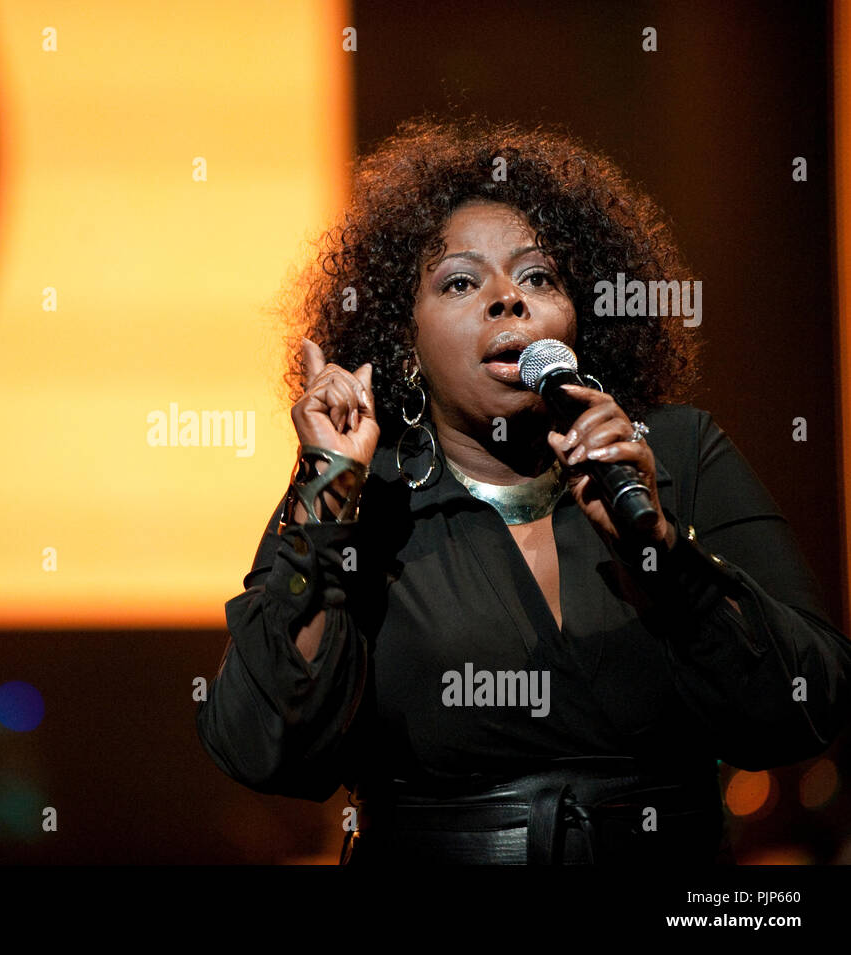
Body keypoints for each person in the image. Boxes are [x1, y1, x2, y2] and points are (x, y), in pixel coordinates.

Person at [195, 118, 851, 864]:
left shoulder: (675, 454)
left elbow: (810, 705)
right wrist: (326, 488)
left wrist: (662, 554)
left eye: (538, 277)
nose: (509, 298)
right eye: (462, 281)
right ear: (403, 339)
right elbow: (261, 745)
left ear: (579, 320)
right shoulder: (367, 498)